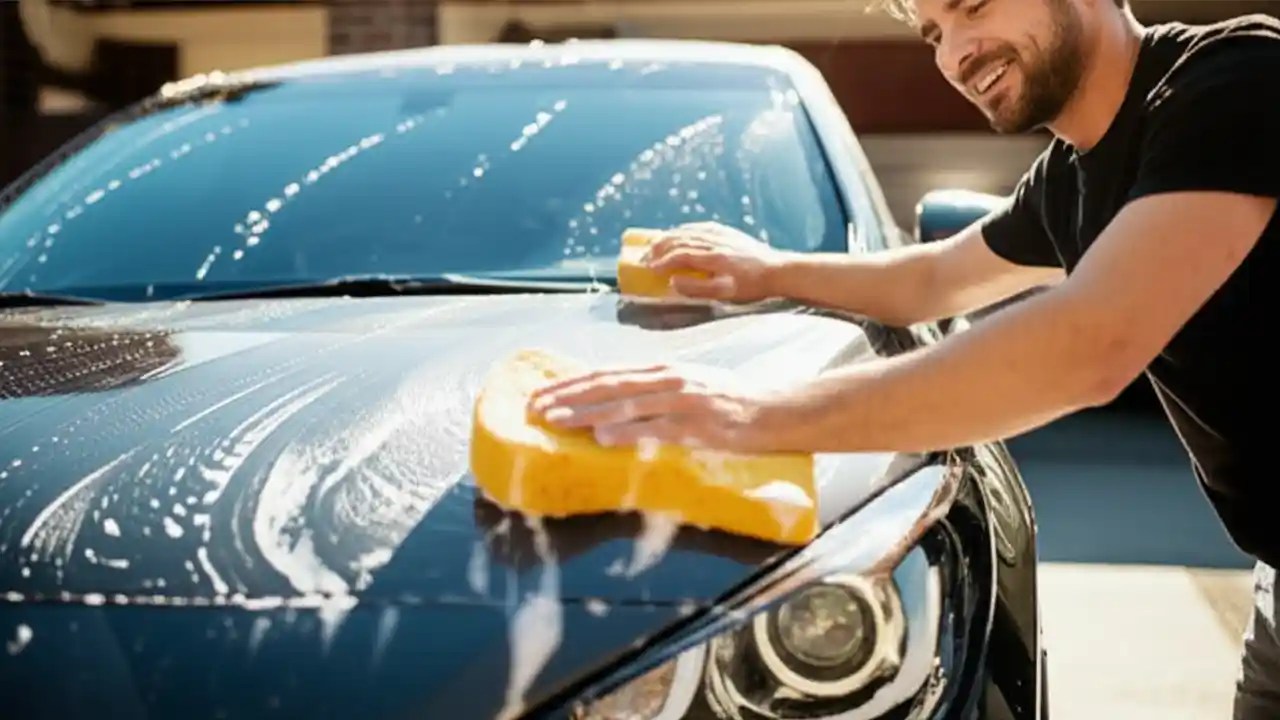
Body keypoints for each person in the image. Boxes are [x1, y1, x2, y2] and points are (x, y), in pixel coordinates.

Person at [527, 0, 1280, 715]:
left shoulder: (1232, 81)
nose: (955, 54)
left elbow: (1093, 343)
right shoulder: (1068, 182)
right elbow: (931, 280)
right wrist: (770, 269)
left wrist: (747, 416)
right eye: (931, 32)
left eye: (973, 7)